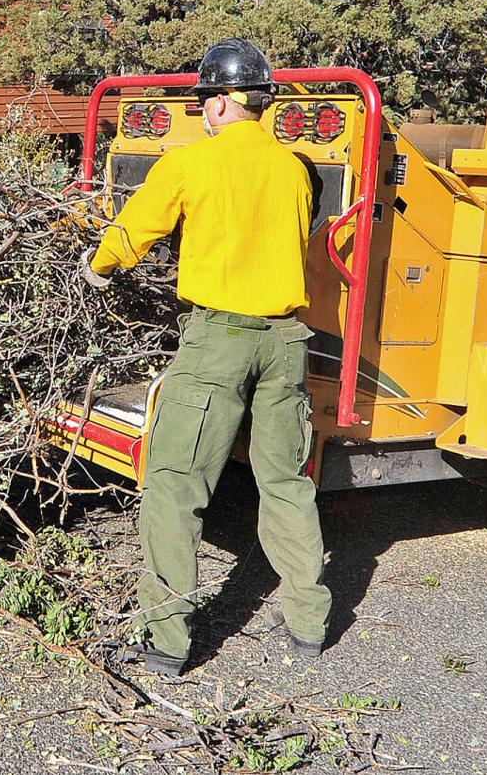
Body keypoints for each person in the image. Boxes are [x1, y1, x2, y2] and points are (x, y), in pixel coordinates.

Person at [82, 38, 332, 675]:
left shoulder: (191, 164)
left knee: (174, 487)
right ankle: (308, 623)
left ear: (224, 102)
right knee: (284, 482)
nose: (201, 113)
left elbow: (135, 229)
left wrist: (99, 265)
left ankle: (167, 640)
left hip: (217, 341)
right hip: (285, 343)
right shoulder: (295, 169)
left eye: (204, 101)